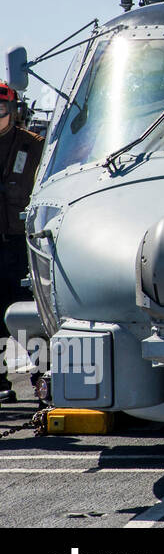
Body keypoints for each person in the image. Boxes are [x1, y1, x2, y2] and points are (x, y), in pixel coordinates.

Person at [1, 82, 44, 404]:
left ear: (14, 112)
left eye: (2, 110)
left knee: (32, 315)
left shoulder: (34, 147)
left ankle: (44, 376)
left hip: (20, 246)